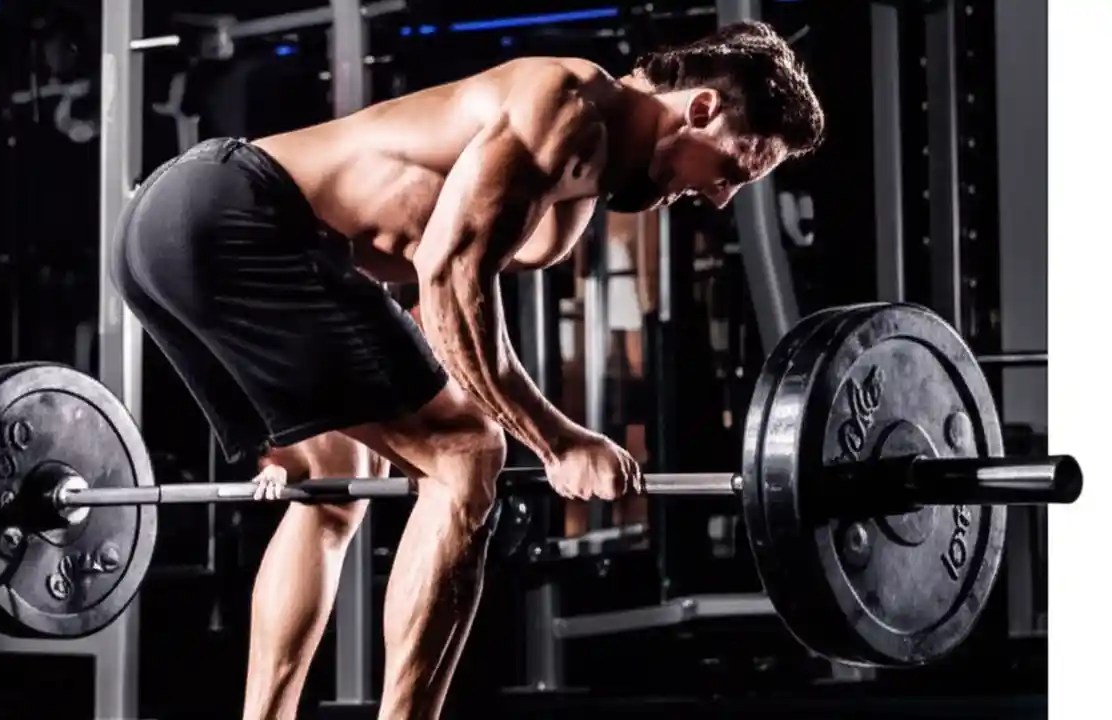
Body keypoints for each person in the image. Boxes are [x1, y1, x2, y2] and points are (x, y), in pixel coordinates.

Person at [110, 20, 824, 720]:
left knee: (336, 479)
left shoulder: (582, 178)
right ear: (701, 109)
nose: (721, 196)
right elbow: (448, 278)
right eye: (732, 168)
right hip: (242, 215)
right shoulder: (566, 105)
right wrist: (558, 441)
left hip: (171, 223)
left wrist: (447, 379)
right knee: (469, 453)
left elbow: (433, 288)